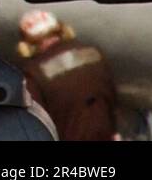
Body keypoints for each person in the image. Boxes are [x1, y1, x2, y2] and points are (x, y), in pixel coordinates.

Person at [17, 9, 119, 141]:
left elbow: (36, 122)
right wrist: (114, 130)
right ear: (60, 28)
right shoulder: (92, 52)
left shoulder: (33, 72)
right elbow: (111, 95)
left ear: (27, 41)